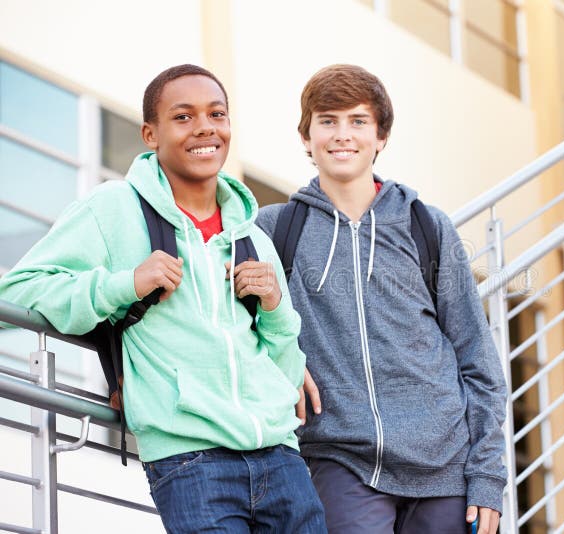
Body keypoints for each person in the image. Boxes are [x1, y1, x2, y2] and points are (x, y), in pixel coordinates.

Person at [0, 64, 326, 533]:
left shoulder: (253, 236)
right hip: (190, 462)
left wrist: (275, 308)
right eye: (183, 116)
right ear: (151, 134)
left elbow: (286, 370)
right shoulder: (113, 208)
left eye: (217, 114)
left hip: (282, 461)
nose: (204, 128)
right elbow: (19, 289)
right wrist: (124, 284)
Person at [257, 64, 507, 534]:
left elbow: (477, 359)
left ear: (381, 136)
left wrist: (487, 475)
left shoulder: (427, 227)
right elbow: (234, 322)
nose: (341, 135)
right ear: (306, 137)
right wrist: (283, 359)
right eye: (327, 121)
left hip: (444, 466)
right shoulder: (275, 230)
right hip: (338, 458)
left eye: (357, 121)